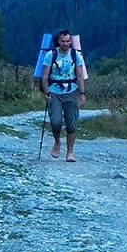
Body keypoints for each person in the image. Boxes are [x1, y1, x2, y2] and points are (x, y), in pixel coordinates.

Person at [40, 29, 87, 162]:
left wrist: (82, 93)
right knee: (56, 121)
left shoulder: (75, 55)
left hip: (71, 91)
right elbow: (44, 76)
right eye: (63, 41)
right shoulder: (51, 55)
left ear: (70, 41)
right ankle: (57, 142)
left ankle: (70, 152)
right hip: (54, 91)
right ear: (58, 41)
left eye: (67, 41)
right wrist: (46, 92)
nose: (65, 44)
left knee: (71, 123)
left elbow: (79, 75)